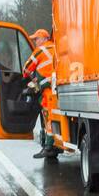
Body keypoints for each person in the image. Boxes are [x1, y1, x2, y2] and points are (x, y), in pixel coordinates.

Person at [23, 28, 57, 158]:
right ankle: (54, 146)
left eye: (36, 39)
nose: (35, 42)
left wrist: (32, 76)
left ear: (44, 38)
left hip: (48, 91)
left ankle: (49, 147)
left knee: (49, 118)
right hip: (60, 88)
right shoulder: (56, 48)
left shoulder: (40, 51)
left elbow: (26, 68)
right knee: (54, 118)